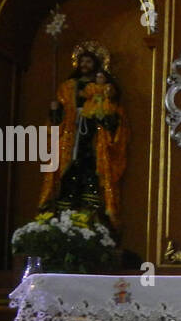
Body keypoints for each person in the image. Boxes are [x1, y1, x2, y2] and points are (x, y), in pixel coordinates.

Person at [40, 45, 129, 223]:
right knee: (68, 170)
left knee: (92, 170)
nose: (85, 64)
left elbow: (113, 114)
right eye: (82, 61)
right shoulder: (67, 86)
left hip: (94, 136)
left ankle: (92, 214)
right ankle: (65, 212)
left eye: (89, 61)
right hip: (70, 134)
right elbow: (59, 117)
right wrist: (55, 111)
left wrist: (104, 115)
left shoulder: (104, 88)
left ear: (96, 64)